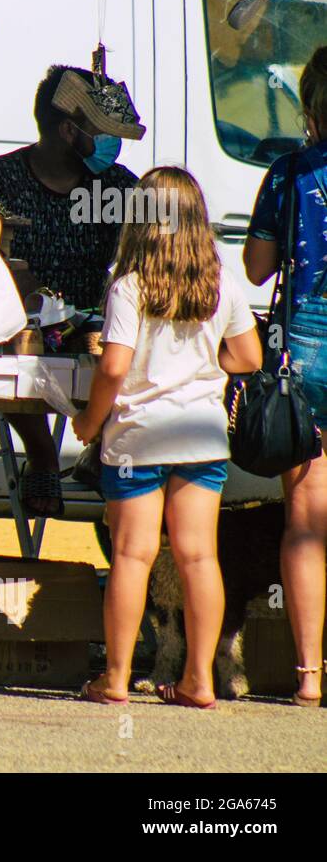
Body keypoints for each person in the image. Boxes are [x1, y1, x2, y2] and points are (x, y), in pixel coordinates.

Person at [74, 167, 261, 709]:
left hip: (138, 438)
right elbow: (249, 357)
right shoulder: (220, 283)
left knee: (132, 557)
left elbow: (113, 367)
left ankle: (113, 679)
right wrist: (205, 367)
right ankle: (200, 681)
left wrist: (87, 422)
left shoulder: (129, 285)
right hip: (201, 437)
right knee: (199, 558)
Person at [0, 65, 143, 517]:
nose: (113, 144)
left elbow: (154, 259)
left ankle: (102, 448)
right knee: (10, 340)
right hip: (16, 328)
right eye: (102, 132)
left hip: (97, 325)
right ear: (69, 130)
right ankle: (43, 455)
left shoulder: (120, 187)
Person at [243, 44, 327, 708]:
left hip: (304, 356)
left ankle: (308, 676)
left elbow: (256, 269)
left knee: (304, 518)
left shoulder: (288, 172)